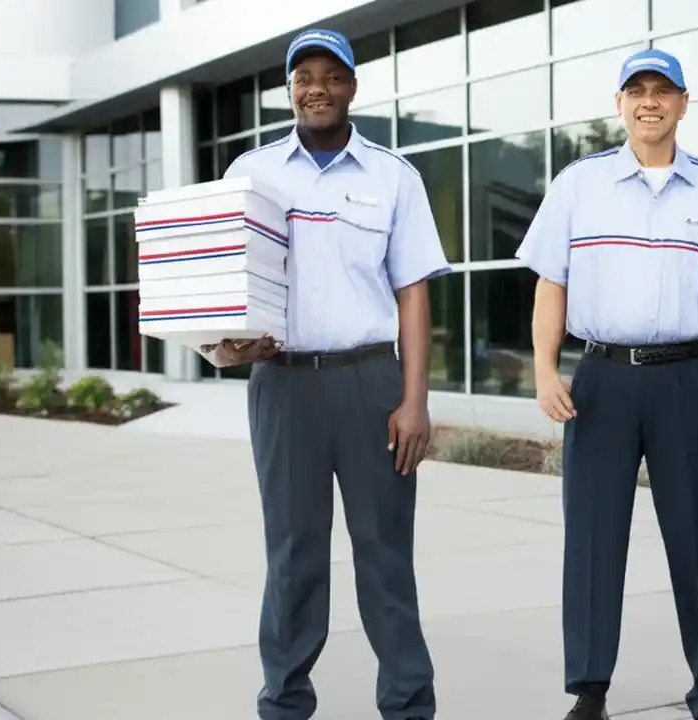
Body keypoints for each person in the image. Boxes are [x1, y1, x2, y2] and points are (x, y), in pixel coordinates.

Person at [514, 48, 698, 720]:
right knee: (592, 539)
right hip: (601, 380)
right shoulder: (579, 185)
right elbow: (552, 285)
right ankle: (589, 688)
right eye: (635, 90)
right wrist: (547, 368)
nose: (649, 101)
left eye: (662, 90)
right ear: (619, 105)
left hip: (689, 382)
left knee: (697, 538)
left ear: (683, 104)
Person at [216, 28, 449, 720]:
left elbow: (413, 293)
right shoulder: (250, 173)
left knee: (386, 557)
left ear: (352, 85)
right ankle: (284, 702)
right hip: (283, 387)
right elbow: (227, 289)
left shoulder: (392, 176)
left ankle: (408, 704)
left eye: (329, 75)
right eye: (302, 78)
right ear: (291, 90)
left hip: (371, 383)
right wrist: (226, 347)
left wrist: (416, 401)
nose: (315, 87)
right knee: (293, 554)